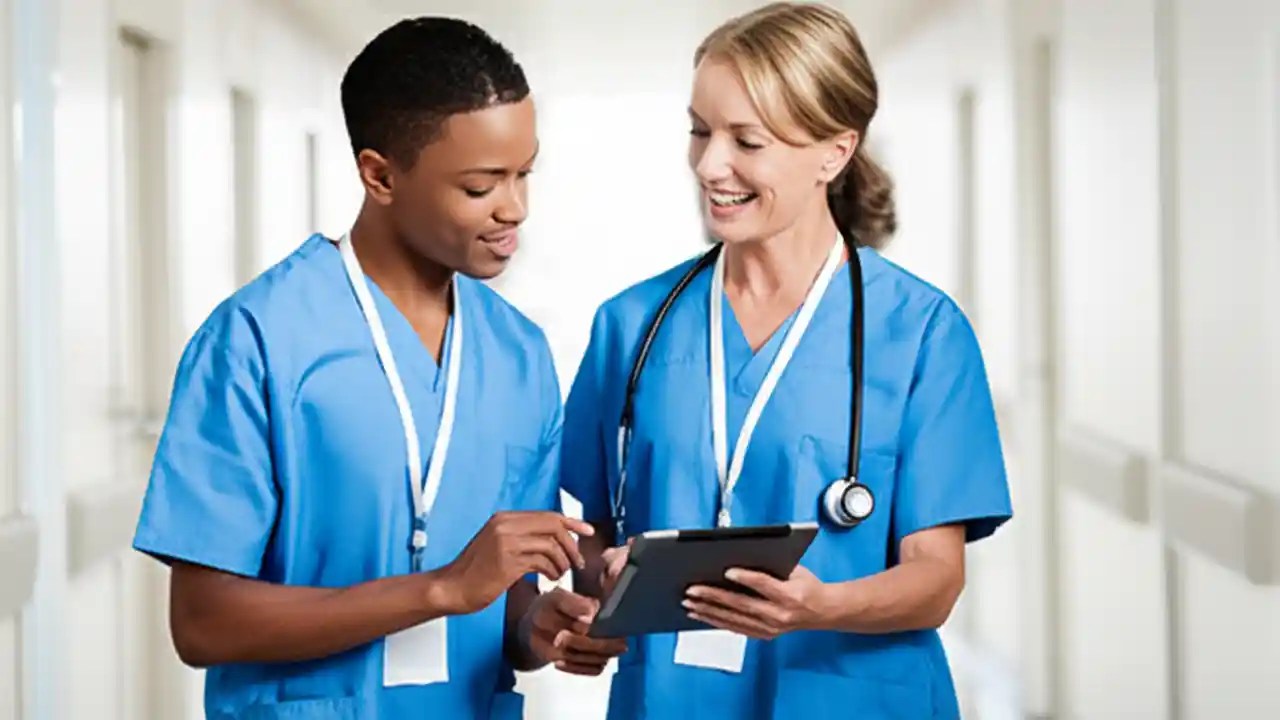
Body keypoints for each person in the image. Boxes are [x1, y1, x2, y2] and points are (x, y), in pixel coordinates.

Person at [132, 17, 624, 720]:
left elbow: (505, 592)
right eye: (482, 186)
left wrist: (535, 629)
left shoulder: (520, 354)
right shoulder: (256, 341)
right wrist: (438, 589)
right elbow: (204, 623)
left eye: (524, 174)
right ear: (380, 175)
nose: (514, 209)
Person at [562, 3, 1013, 718]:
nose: (711, 165)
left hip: (851, 698)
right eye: (700, 131)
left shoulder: (922, 332)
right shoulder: (631, 326)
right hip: (674, 697)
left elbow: (936, 580)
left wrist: (820, 605)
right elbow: (594, 537)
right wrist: (603, 585)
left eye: (748, 140)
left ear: (834, 152)